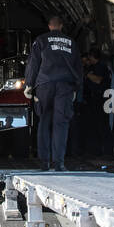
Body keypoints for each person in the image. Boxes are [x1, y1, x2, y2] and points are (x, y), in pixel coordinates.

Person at [24, 16, 80, 170]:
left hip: (45, 86)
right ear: (61, 26)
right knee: (61, 124)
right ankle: (59, 163)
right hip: (65, 86)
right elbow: (78, 66)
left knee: (44, 123)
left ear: (49, 26)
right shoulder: (71, 43)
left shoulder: (40, 40)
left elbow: (33, 63)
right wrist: (76, 87)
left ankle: (44, 162)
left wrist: (29, 84)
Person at [81, 48, 111, 156]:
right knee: (95, 125)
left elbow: (98, 80)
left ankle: (107, 151)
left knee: (103, 125)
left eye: (88, 59)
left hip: (102, 98)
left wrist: (87, 74)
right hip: (94, 99)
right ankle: (96, 151)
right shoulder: (94, 67)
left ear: (92, 57)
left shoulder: (101, 67)